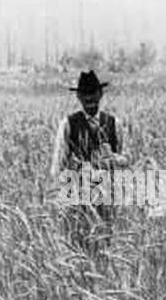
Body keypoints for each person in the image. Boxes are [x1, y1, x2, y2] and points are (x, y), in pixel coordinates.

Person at [50, 70, 129, 253]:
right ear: (78, 96)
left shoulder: (114, 123)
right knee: (80, 245)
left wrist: (113, 159)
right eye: (85, 94)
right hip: (78, 197)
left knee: (106, 245)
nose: (89, 98)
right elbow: (57, 166)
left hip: (107, 197)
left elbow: (126, 159)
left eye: (93, 93)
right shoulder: (68, 124)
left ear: (100, 94)